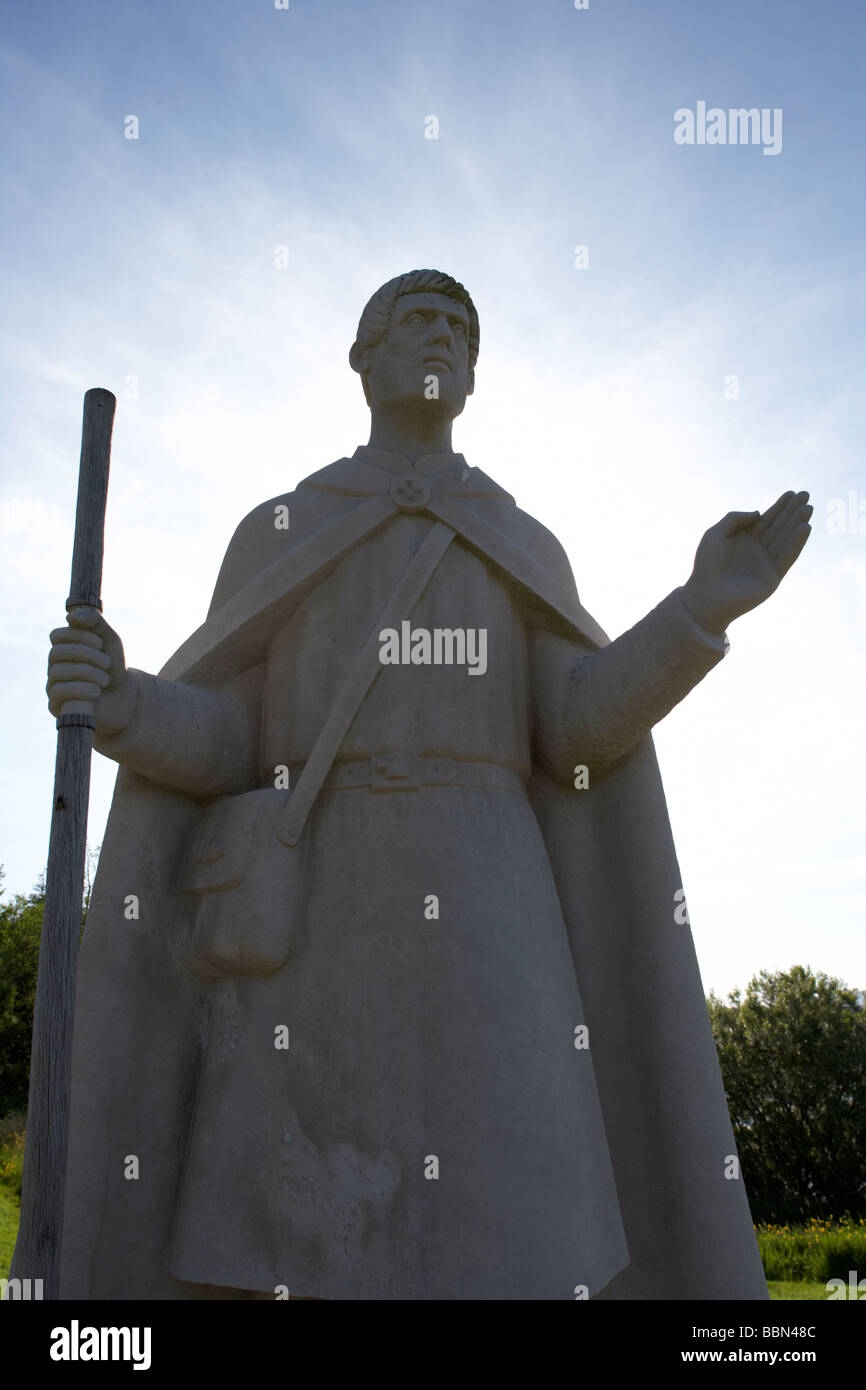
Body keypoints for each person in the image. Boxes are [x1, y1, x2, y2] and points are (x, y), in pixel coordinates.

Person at [39, 269, 810, 1300]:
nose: (441, 334)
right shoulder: (282, 527)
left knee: (512, 1210)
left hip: (491, 894)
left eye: (460, 324)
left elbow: (576, 728)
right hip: (318, 897)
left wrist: (695, 613)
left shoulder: (517, 538)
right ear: (362, 355)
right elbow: (231, 738)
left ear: (476, 373)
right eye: (416, 317)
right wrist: (123, 699)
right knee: (289, 1229)